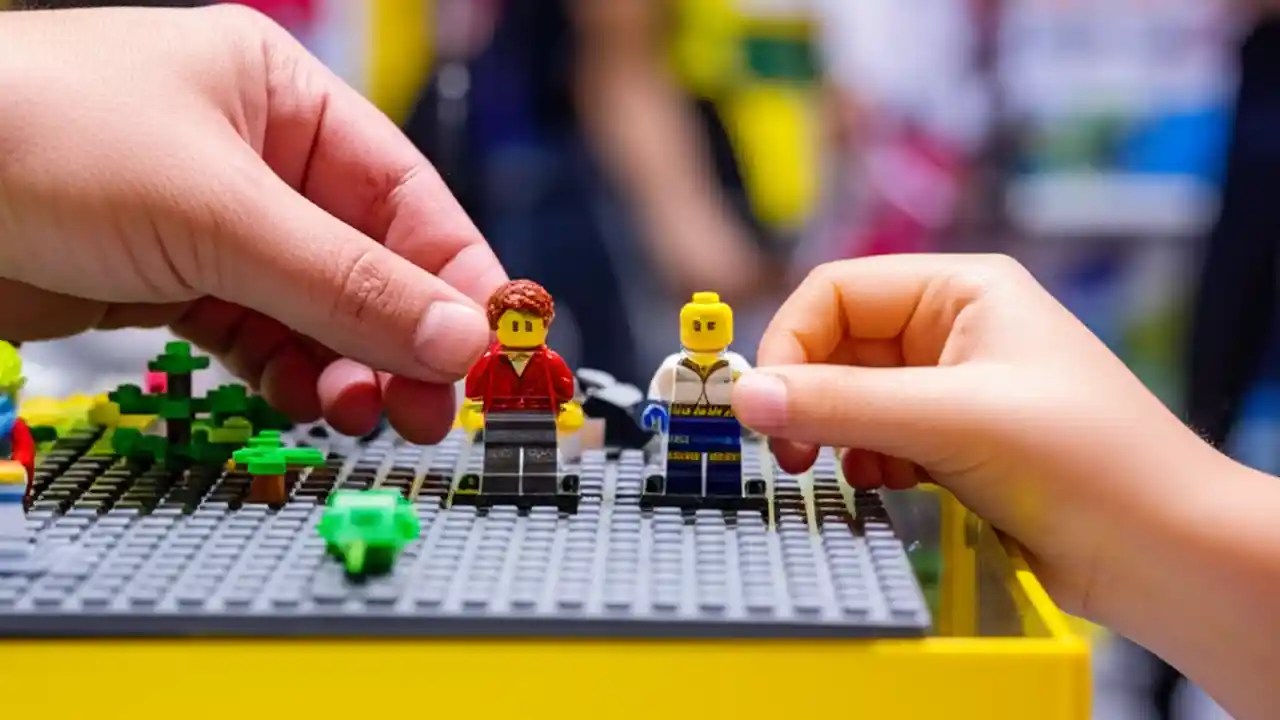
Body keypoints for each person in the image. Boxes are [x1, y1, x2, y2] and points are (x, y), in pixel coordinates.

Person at [0, 6, 1273, 719]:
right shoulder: (563, 362)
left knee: (661, 479)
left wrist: (1171, 528)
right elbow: (568, 388)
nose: (703, 342)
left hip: (698, 446)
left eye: (710, 337)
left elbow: (581, 392)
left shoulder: (658, 377)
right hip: (518, 438)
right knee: (516, 469)